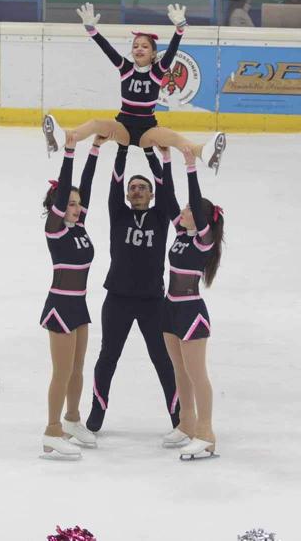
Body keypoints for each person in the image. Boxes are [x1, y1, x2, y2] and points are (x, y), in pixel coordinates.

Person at [43, 3, 226, 174]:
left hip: (147, 130)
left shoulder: (157, 71)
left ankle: (204, 153)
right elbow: (108, 49)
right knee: (95, 124)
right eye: (135, 46)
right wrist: (92, 31)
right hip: (123, 126)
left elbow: (171, 51)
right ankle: (62, 138)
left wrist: (179, 30)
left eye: (145, 46)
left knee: (175, 138)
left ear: (153, 53)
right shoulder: (126, 68)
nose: (139, 49)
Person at [86, 144, 184, 443]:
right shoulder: (118, 213)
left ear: (151, 194)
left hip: (153, 300)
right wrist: (122, 151)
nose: (137, 191)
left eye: (143, 188)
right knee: (108, 357)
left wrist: (157, 157)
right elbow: (114, 183)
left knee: (163, 359)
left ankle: (179, 417)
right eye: (133, 188)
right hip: (117, 297)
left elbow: (168, 190)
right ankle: (96, 414)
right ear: (127, 195)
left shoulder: (160, 216)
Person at [39, 132, 105, 459]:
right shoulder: (56, 228)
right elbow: (67, 188)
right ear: (59, 205)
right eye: (71, 204)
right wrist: (69, 150)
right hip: (60, 306)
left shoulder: (79, 226)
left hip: (79, 305)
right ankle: (52, 431)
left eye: (79, 205)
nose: (77, 208)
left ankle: (72, 420)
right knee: (61, 372)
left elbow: (86, 186)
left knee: (78, 370)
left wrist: (94, 150)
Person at [162, 146, 225, 460]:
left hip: (191, 312)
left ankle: (206, 432)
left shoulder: (203, 238)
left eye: (189, 210)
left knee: (197, 373)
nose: (183, 212)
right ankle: (186, 423)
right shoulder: (182, 233)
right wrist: (164, 159)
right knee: (179, 370)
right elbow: (168, 198)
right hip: (169, 308)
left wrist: (190, 165)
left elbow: (194, 206)